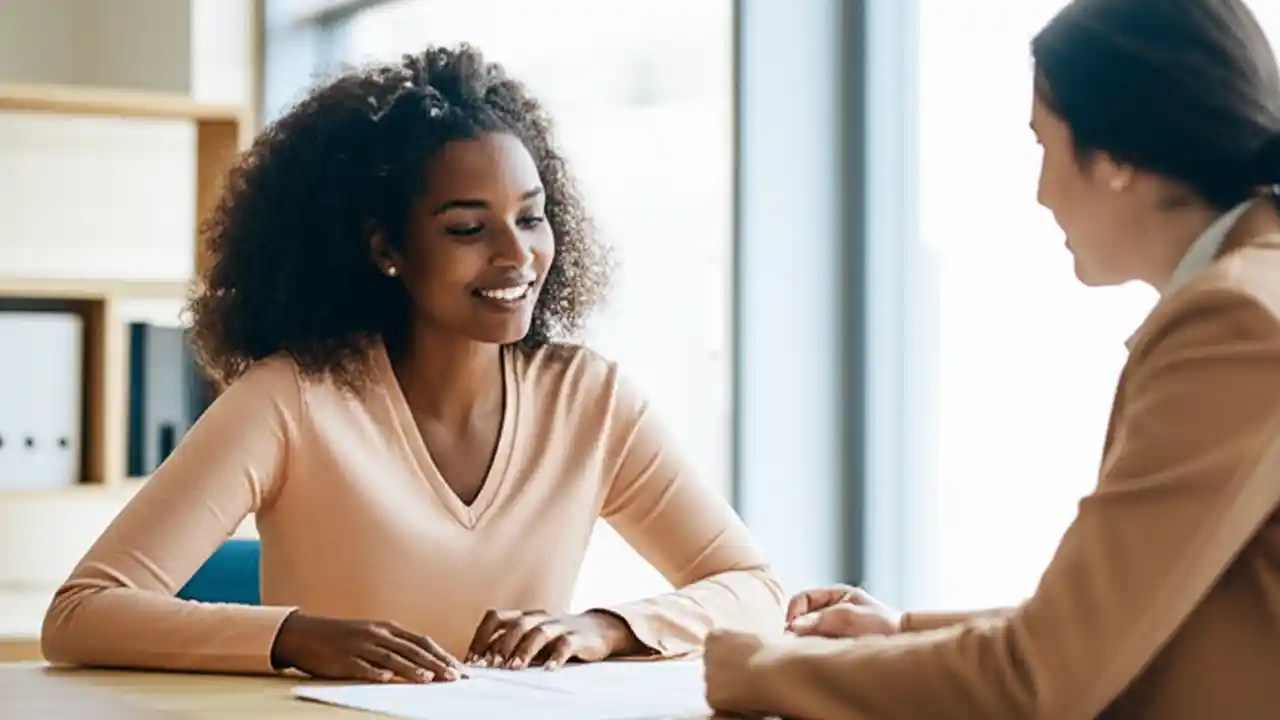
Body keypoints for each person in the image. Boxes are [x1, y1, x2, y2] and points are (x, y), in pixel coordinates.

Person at [41, 44, 783, 683]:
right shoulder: (291, 401)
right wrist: (294, 637)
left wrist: (606, 627)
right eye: (468, 226)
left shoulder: (589, 399)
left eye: (530, 216)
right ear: (384, 248)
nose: (517, 254)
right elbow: (81, 613)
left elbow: (753, 588)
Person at [705, 0, 1280, 717]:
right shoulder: (1256, 293)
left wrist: (761, 671)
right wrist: (897, 633)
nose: (1040, 194)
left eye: (1043, 146)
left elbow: (1040, 679)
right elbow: (1123, 625)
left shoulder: (1234, 325)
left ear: (1119, 159)